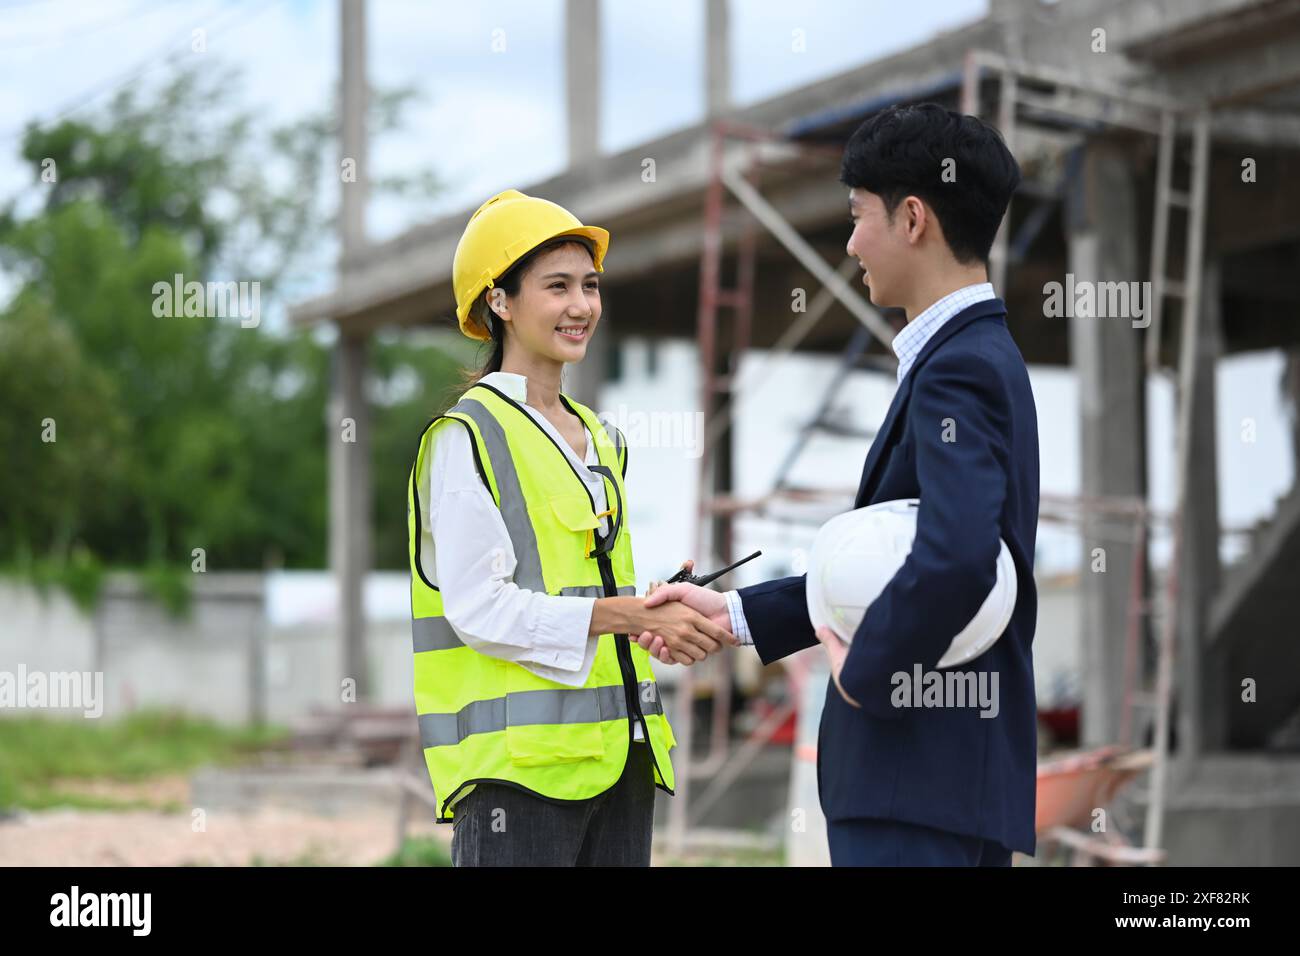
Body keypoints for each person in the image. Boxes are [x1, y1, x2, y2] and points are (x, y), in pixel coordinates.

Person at [639, 104, 1040, 866]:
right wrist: (730, 613)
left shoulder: (958, 369)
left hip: (915, 784)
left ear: (913, 217)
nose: (851, 242)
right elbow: (904, 562)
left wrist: (869, 670)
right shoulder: (972, 356)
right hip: (939, 789)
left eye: (858, 217)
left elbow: (958, 555)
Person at [407, 188, 736, 867]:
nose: (582, 306)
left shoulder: (601, 438)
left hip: (622, 757)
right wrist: (623, 614)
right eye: (557, 287)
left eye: (590, 285)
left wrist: (654, 610)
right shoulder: (466, 437)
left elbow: (583, 584)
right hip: (518, 777)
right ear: (499, 301)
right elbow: (478, 609)